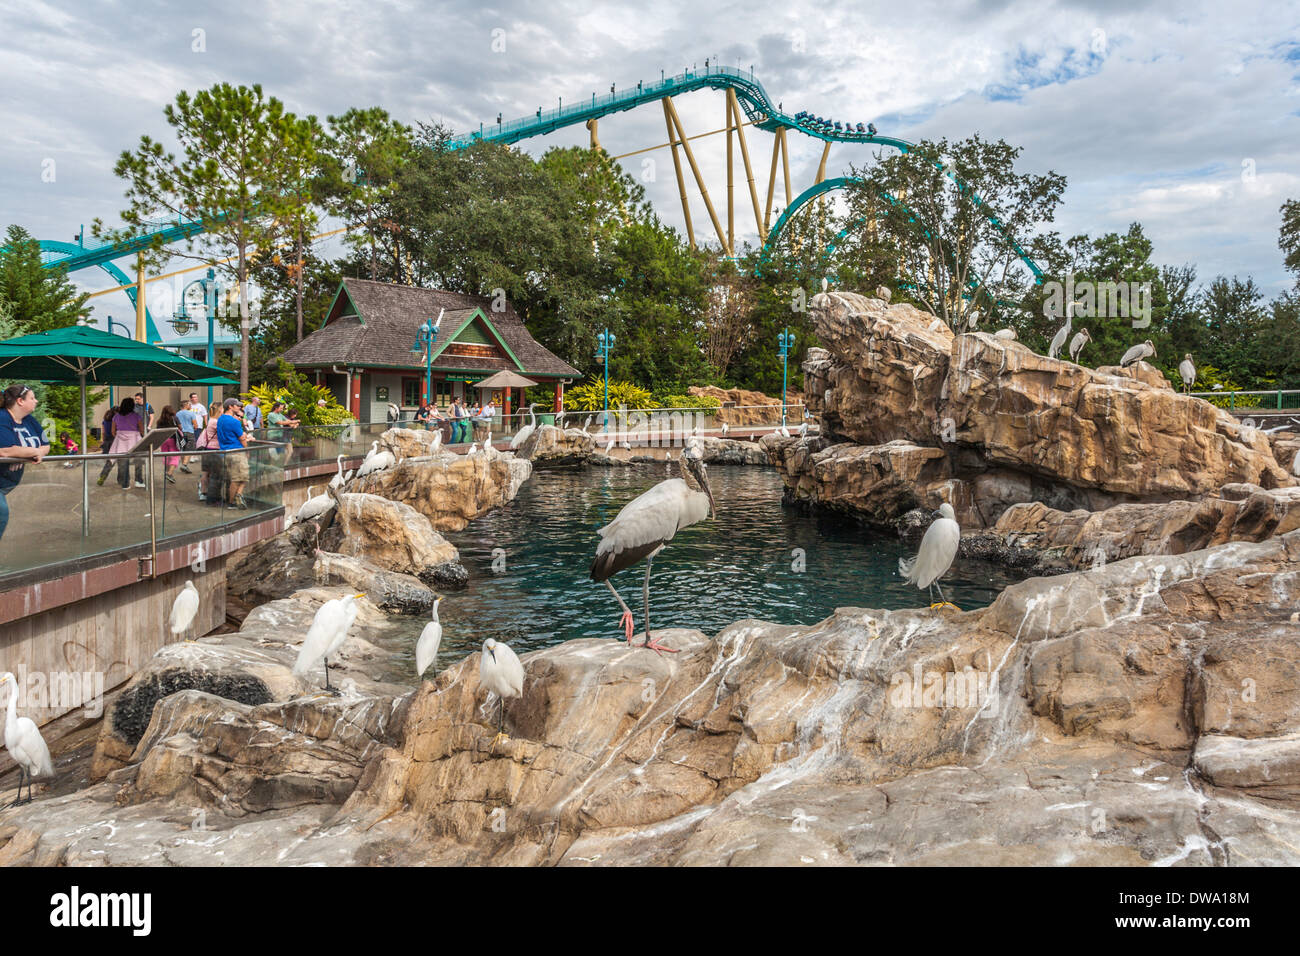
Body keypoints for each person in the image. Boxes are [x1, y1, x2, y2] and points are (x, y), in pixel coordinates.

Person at [0, 385, 50, 544]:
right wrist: (31, 452)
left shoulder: (29, 420)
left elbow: (46, 445)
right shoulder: (2, 418)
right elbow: (5, 451)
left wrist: (36, 453)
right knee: (1, 513)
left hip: (7, 482)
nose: (36, 401)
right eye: (32, 398)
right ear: (20, 401)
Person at [104, 397, 145, 489]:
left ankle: (125, 484)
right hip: (135, 441)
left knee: (124, 462)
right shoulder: (136, 416)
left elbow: (113, 432)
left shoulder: (116, 416)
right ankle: (139, 481)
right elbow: (142, 430)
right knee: (138, 461)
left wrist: (121, 435)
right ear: (132, 406)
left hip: (120, 442)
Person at [216, 398, 250, 509]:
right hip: (237, 452)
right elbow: (242, 438)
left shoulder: (220, 419)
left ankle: (236, 498)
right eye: (237, 405)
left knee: (235, 478)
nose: (239, 407)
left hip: (226, 452)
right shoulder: (234, 421)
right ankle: (233, 501)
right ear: (230, 406)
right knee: (240, 478)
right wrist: (247, 450)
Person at [196, 400, 224, 503]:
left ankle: (203, 492)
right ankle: (210, 495)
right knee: (213, 473)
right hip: (214, 449)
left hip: (207, 449)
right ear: (220, 410)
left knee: (205, 472)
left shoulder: (210, 420)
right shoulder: (216, 422)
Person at [156, 406, 182, 483]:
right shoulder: (175, 418)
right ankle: (169, 473)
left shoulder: (160, 421)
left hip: (163, 440)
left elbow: (158, 430)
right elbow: (180, 428)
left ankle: (167, 472)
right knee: (175, 456)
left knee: (165, 456)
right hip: (173, 439)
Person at [175, 399, 197, 474]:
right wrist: (194, 427)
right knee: (190, 449)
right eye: (189, 404)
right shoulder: (191, 413)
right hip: (190, 432)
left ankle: (184, 465)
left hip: (180, 433)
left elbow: (177, 423)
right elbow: (195, 425)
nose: (190, 406)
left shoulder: (177, 414)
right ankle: (184, 465)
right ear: (186, 405)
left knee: (183, 448)